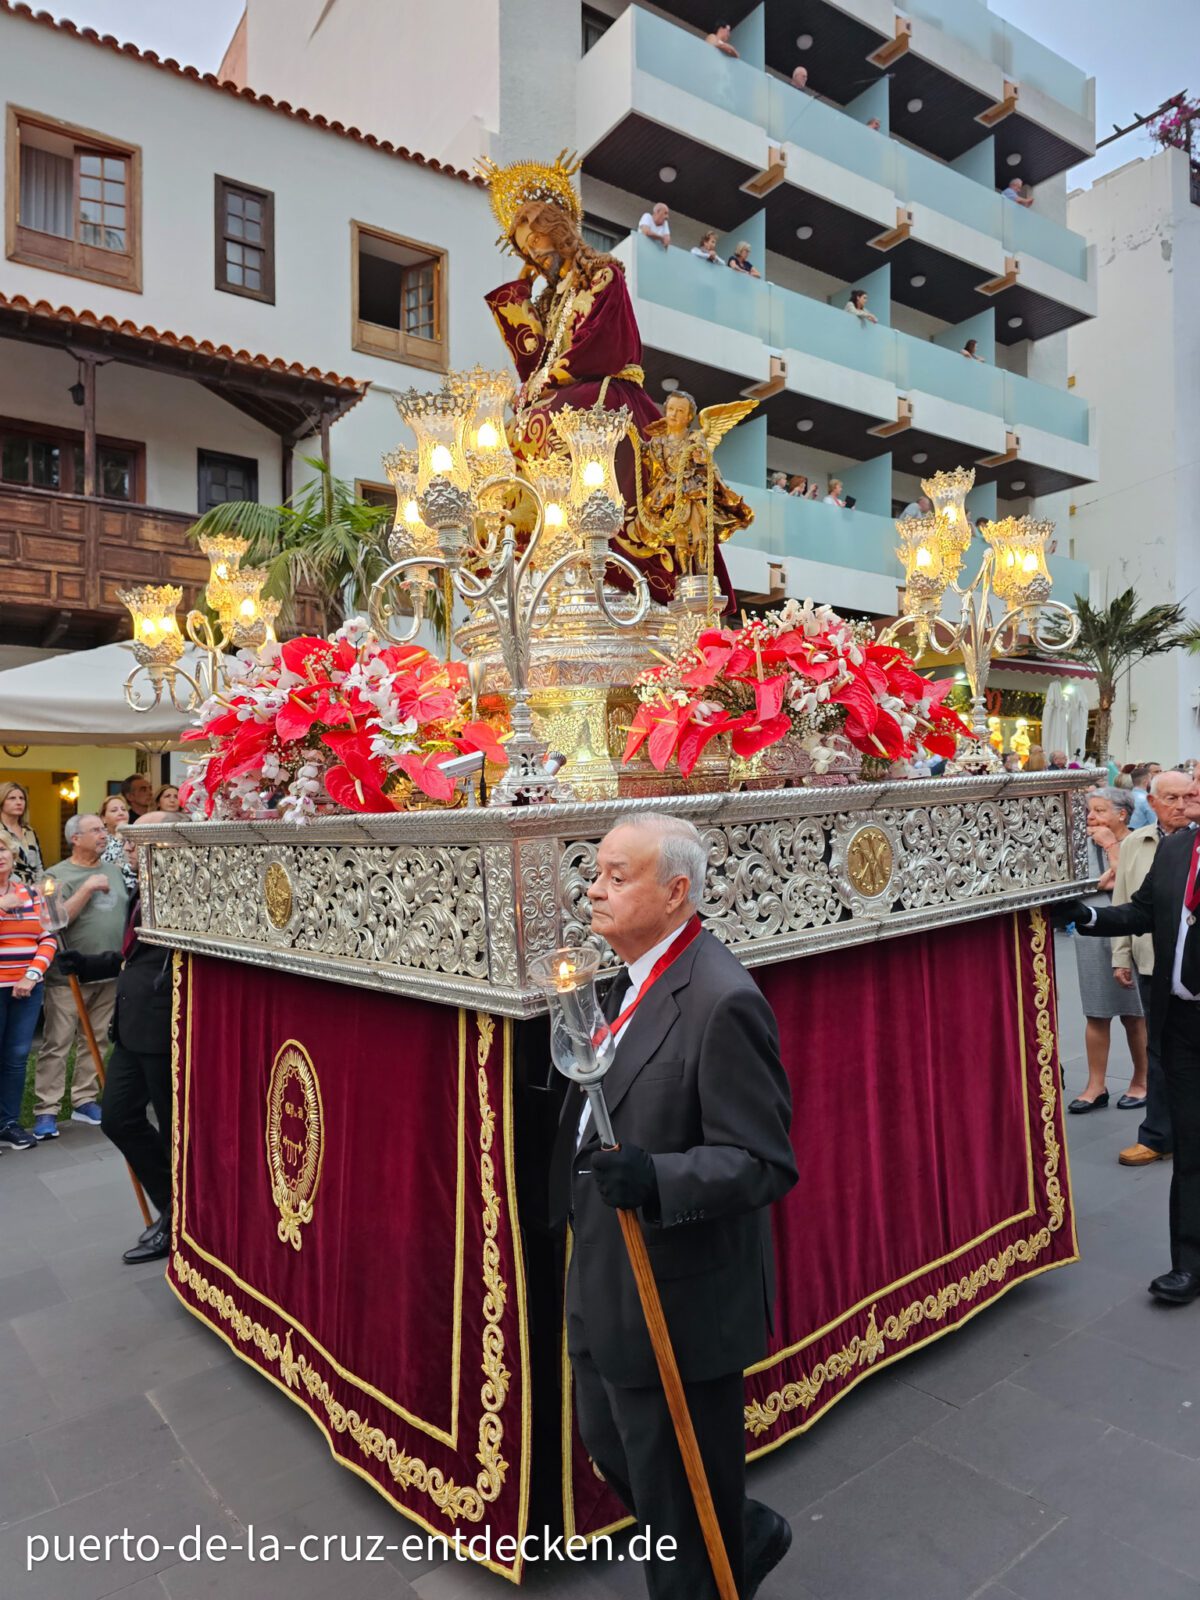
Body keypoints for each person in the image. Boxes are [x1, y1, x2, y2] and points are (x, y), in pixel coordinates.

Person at [553, 814, 797, 1599]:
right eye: (596, 872)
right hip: (604, 1276)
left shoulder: (721, 1001)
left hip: (677, 1291)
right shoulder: (622, 978)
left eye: (618, 876)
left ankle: (714, 1564)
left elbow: (762, 1162)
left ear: (676, 891)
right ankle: (739, 1528)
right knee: (612, 1445)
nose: (594, 888)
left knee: (675, 1505)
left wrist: (658, 1178)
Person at [1054, 778, 1200, 1303]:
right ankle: (1188, 1264)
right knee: (1189, 1145)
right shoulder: (1179, 847)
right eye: (1187, 792)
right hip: (1181, 1021)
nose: (1187, 803)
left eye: (1196, 793)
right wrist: (1085, 916)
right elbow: (1142, 911)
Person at [56, 814, 174, 1262]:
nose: (123, 846)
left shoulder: (183, 893)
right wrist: (92, 964)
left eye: (133, 840)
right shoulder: (142, 888)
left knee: (173, 1132)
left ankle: (182, 1220)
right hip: (131, 1027)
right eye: (124, 840)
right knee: (118, 1118)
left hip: (164, 1030)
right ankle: (171, 1206)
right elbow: (136, 958)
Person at [1111, 770, 1194, 1167]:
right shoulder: (1136, 844)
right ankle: (1159, 1134)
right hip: (1152, 962)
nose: (1181, 806)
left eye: (1188, 797)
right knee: (1159, 1049)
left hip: (1184, 964)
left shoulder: (1191, 845)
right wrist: (1119, 955)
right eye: (1172, 798)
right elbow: (1127, 901)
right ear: (1153, 801)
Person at [32, 813, 128, 1140]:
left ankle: (84, 1099)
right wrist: (86, 888)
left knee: (97, 1038)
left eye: (104, 829)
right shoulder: (53, 875)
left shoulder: (114, 871)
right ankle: (46, 1109)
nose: (104, 835)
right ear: (76, 838)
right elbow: (50, 920)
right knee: (57, 1042)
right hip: (67, 976)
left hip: (109, 973)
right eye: (96, 830)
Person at [1067, 787, 1148, 1114]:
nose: (1091, 817)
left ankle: (1142, 1081)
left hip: (1130, 931)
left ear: (1122, 814)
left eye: (1100, 810)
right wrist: (1106, 880)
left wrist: (1111, 846)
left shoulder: (1140, 842)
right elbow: (1084, 886)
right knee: (1096, 1011)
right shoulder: (1078, 847)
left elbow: (1131, 885)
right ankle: (1095, 1085)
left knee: (1134, 1014)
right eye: (1089, 810)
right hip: (1091, 933)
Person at [0, 842, 57, 1152]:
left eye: (1, 850)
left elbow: (47, 937)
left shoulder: (32, 894)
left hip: (26, 988)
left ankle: (8, 1124)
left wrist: (32, 975)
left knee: (16, 1059)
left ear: (12, 856)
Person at [0, 781, 44, 885]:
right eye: (12, 798)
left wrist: (38, 888)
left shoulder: (29, 831)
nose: (19, 802)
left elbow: (39, 866)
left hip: (33, 891)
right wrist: (21, 886)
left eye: (22, 798)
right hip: (7, 889)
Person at [1129, 762, 1160, 830]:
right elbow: (1155, 823)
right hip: (1142, 836)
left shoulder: (1127, 796)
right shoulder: (1147, 800)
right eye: (1151, 778)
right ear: (1145, 781)